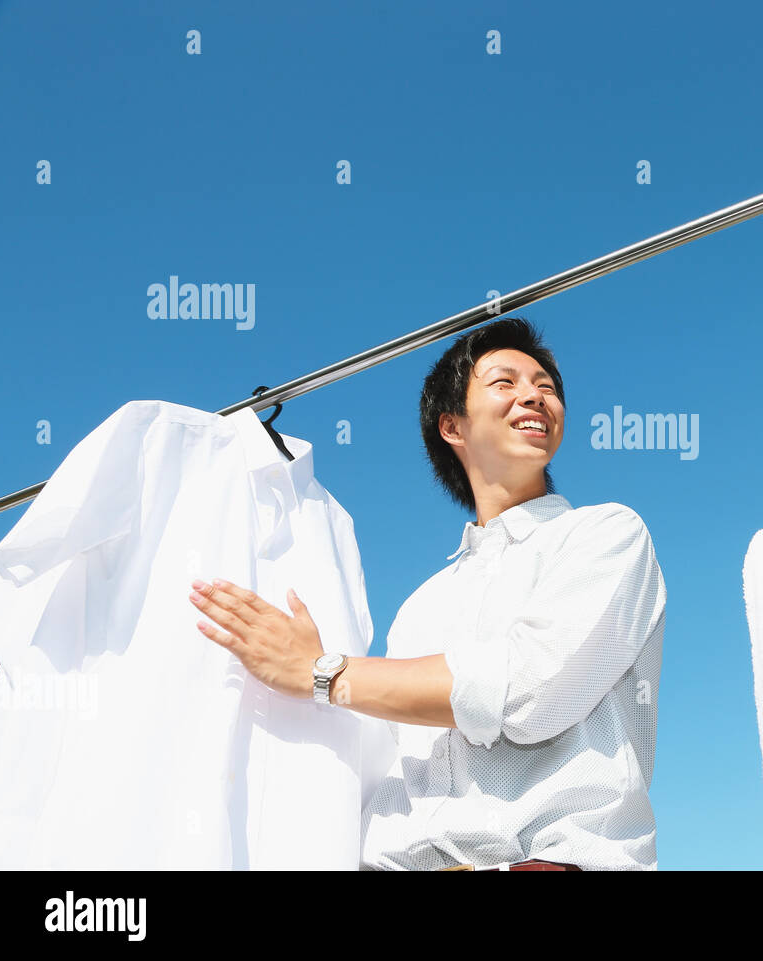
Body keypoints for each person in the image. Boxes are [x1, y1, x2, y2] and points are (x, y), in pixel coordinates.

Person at [189, 317, 666, 870]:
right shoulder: (422, 604)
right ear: (453, 427)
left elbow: (527, 691)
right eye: (505, 383)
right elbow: (383, 759)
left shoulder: (605, 534)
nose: (535, 396)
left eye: (547, 386)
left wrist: (322, 672)